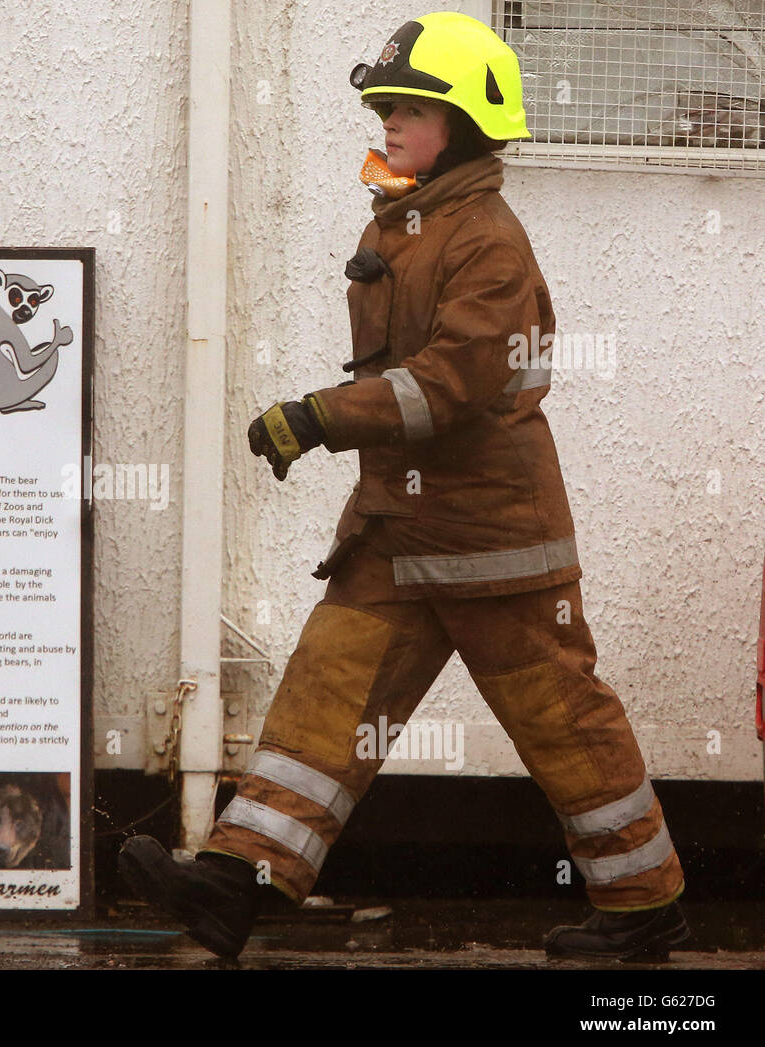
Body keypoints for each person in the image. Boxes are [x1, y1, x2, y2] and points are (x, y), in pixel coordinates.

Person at [120, 11, 688, 962]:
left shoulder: (487, 241)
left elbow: (454, 382)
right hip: (397, 529)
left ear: (462, 124)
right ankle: (235, 883)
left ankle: (641, 907)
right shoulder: (411, 218)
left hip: (492, 539)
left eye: (409, 108)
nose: (387, 121)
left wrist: (321, 415)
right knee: (322, 702)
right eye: (383, 105)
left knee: (560, 721)